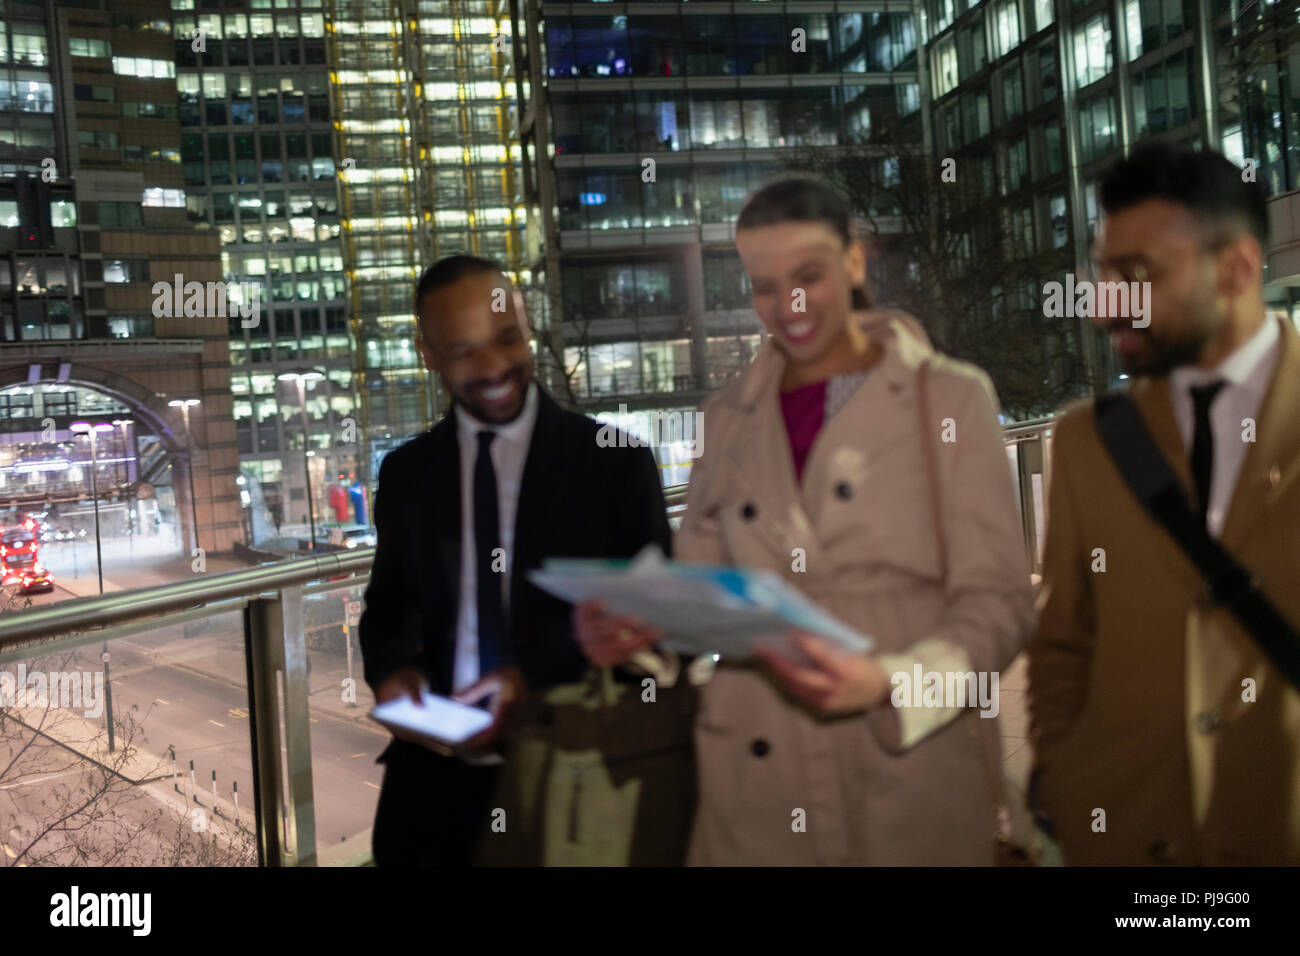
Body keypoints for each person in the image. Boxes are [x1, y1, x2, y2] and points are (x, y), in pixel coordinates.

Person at [576, 178, 1035, 864]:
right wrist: (643, 625)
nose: (787, 306)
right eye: (765, 286)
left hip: (907, 775)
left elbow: (999, 607)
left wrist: (889, 682)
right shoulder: (727, 417)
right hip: (754, 789)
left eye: (809, 276)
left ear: (855, 262)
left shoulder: (948, 397)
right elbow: (700, 589)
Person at [358, 254, 680, 866]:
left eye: (507, 339)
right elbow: (389, 608)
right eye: (464, 351)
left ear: (528, 323)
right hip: (432, 796)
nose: (495, 367)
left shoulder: (613, 464)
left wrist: (528, 681)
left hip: (577, 783)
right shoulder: (407, 475)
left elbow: (653, 633)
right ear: (427, 354)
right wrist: (393, 676)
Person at [1029, 142, 1300, 865]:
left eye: (1137, 276)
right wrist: (1066, 779)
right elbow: (1061, 643)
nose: (1103, 301)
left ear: (1239, 267)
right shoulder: (1087, 443)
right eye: (1101, 273)